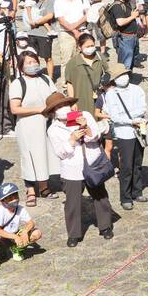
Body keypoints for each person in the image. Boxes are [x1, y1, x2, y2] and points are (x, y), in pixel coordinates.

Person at [46, 96, 112, 245]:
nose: (63, 108)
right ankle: (74, 234)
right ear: (53, 112)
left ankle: (105, 226)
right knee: (72, 202)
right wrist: (72, 139)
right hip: (71, 168)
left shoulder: (85, 115)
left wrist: (85, 127)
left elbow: (95, 137)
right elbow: (61, 153)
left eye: (64, 104)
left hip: (92, 162)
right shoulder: (53, 129)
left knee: (100, 195)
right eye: (58, 107)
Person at [8, 49, 59, 205]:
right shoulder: (18, 83)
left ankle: (44, 187)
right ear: (21, 66)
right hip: (27, 126)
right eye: (29, 63)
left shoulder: (45, 79)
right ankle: (30, 190)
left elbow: (54, 97)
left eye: (35, 61)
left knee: (44, 154)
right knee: (29, 157)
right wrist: (38, 110)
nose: (33, 65)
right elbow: (15, 108)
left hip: (45, 124)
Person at [103, 60, 148, 210]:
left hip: (138, 131)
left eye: (125, 74)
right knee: (126, 165)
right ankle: (125, 196)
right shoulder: (111, 94)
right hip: (124, 133)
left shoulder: (137, 90)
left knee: (138, 162)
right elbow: (114, 116)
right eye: (120, 75)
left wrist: (133, 118)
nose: (124, 77)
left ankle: (137, 190)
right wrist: (131, 121)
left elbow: (142, 108)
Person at [0, 183, 43, 275]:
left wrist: (25, 232)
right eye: (10, 197)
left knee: (36, 233)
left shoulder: (20, 208)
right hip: (3, 238)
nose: (14, 199)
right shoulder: (0, 210)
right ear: (2, 200)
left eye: (15, 195)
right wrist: (15, 237)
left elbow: (31, 222)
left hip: (14, 234)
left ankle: (17, 250)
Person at [51, 0, 91, 77]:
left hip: (83, 31)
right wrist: (74, 30)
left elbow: (88, 14)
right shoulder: (58, 1)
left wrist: (75, 25)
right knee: (67, 59)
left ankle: (84, 79)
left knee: (85, 57)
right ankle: (66, 82)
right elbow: (61, 20)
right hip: (66, 33)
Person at [62, 32, 106, 114]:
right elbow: (69, 83)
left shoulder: (99, 57)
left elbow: (108, 72)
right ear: (79, 47)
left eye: (92, 46)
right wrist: (72, 102)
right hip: (81, 102)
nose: (91, 48)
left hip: (99, 100)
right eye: (87, 46)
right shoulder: (73, 63)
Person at [106, 0, 145, 69]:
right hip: (125, 38)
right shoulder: (117, 6)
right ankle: (123, 81)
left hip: (132, 36)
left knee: (130, 62)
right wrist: (133, 16)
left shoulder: (126, 2)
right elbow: (120, 22)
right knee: (125, 63)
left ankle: (128, 78)